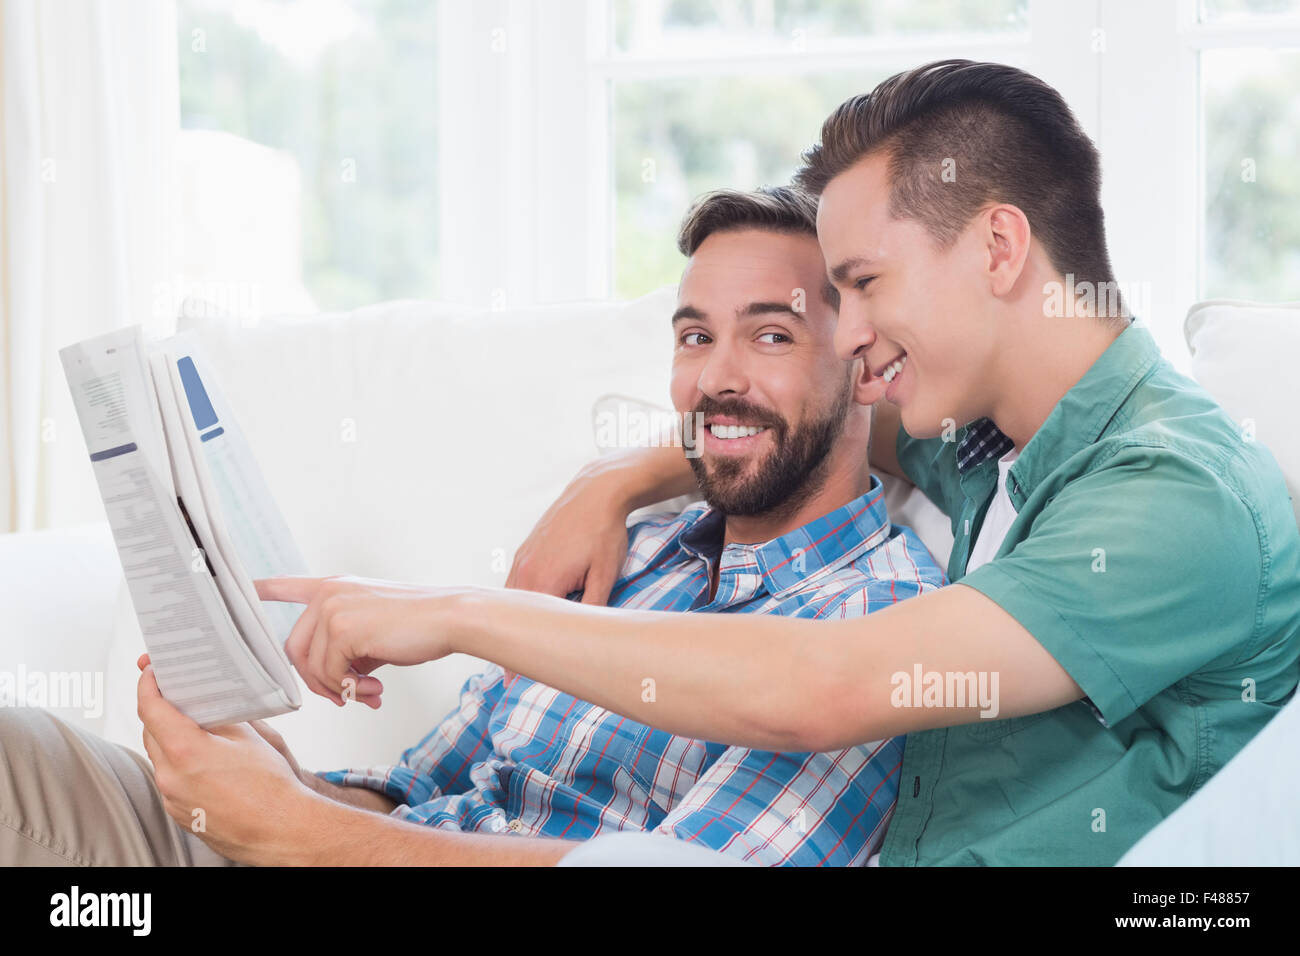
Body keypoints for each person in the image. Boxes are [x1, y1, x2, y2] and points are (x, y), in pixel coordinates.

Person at [260, 60, 1300, 866]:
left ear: (996, 248)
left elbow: (820, 683)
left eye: (862, 281)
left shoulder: (1174, 495)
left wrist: (452, 610)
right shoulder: (992, 440)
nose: (848, 338)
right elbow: (797, 417)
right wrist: (619, 479)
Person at [1, 186, 946, 866]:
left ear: (863, 363)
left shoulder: (878, 628)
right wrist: (277, 784)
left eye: (770, 335)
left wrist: (296, 834)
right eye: (695, 336)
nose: (717, 376)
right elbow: (418, 793)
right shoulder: (631, 551)